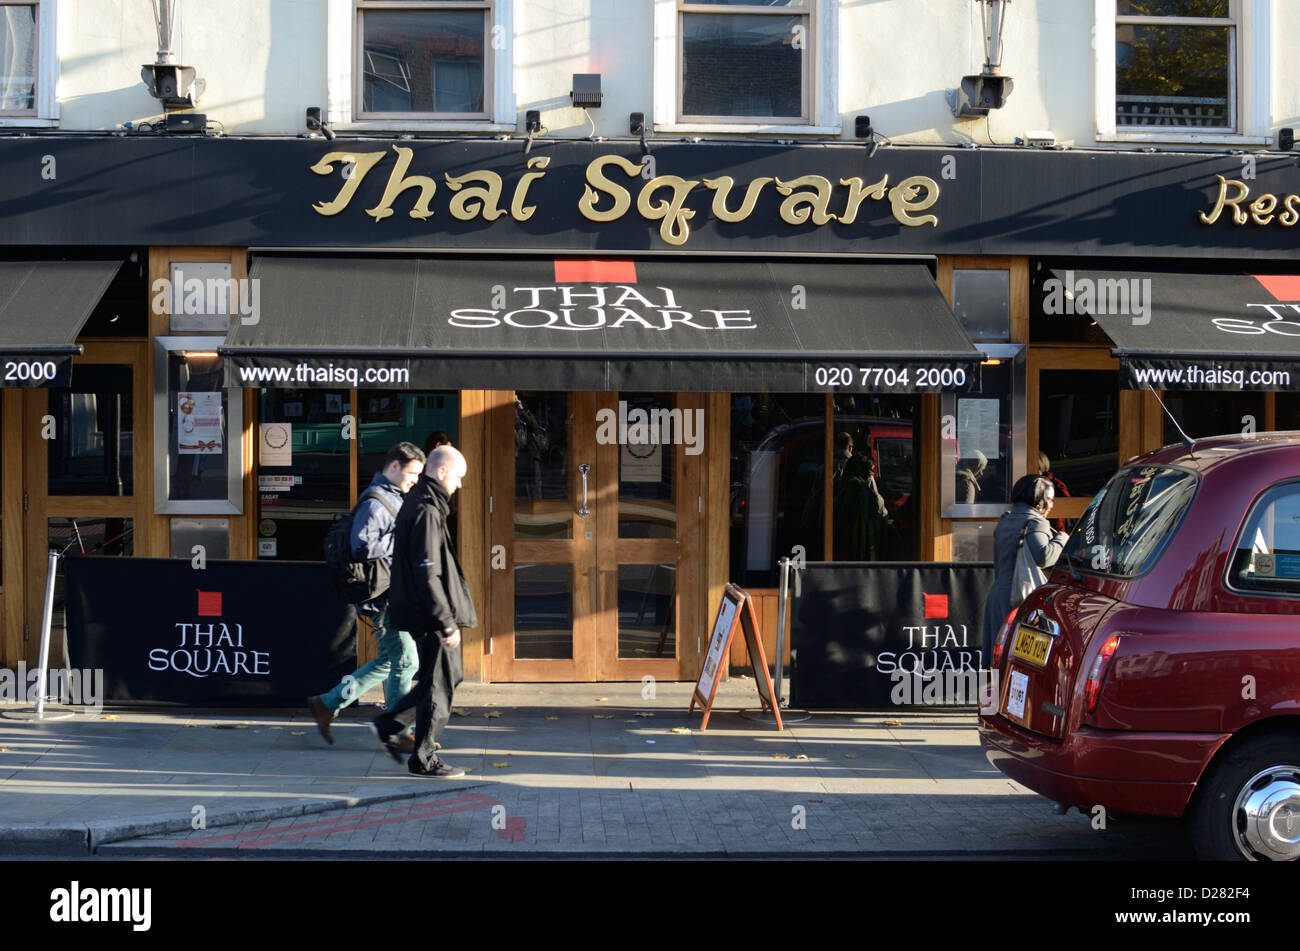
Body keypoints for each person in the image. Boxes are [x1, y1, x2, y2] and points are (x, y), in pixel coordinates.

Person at [309, 442, 426, 750]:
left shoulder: (393, 496)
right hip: (384, 596)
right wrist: (403, 540)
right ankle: (397, 732)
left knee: (391, 659)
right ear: (394, 467)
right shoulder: (375, 502)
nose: (415, 479)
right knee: (406, 660)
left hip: (391, 592)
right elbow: (362, 544)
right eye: (412, 473)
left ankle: (328, 702)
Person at [373, 444, 477, 778]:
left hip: (423, 610)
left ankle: (390, 722)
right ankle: (424, 758)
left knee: (448, 677)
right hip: (430, 613)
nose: (459, 484)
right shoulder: (428, 510)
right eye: (458, 477)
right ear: (442, 471)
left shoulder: (421, 503)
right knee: (439, 684)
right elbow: (427, 571)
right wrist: (446, 622)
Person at [980, 474, 1070, 661]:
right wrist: (1062, 539)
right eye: (1051, 499)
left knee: (997, 659)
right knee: (1018, 662)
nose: (1052, 505)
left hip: (998, 596)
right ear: (1040, 500)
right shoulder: (1036, 522)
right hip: (1020, 599)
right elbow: (1043, 557)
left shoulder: (1005, 520)